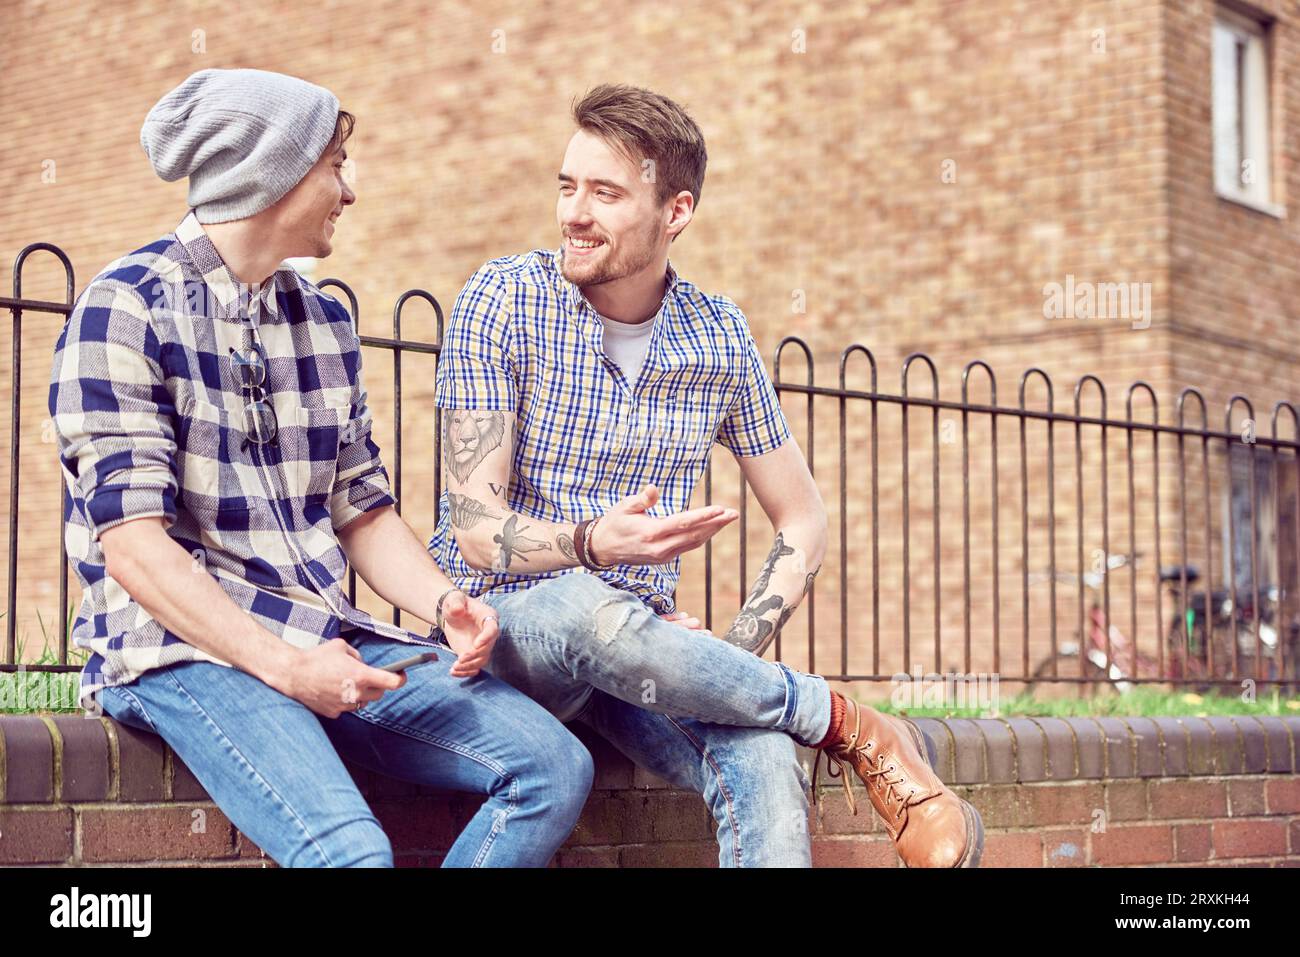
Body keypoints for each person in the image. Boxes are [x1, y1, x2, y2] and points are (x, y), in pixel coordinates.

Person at [427, 83, 984, 867]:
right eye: (567, 186)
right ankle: (851, 723)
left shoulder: (717, 336)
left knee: (761, 752)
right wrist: (596, 543)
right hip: (505, 638)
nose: (573, 213)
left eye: (605, 193)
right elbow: (475, 530)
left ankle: (800, 718)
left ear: (676, 212)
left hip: (641, 652)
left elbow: (803, 517)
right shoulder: (505, 299)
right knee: (588, 607)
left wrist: (726, 659)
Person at [48, 68, 592, 868]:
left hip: (322, 633)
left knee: (551, 766)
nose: (351, 189)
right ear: (271, 174)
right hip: (178, 650)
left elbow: (362, 511)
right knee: (352, 854)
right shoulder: (125, 309)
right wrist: (286, 669)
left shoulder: (324, 319)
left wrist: (446, 602)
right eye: (336, 165)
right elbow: (134, 547)